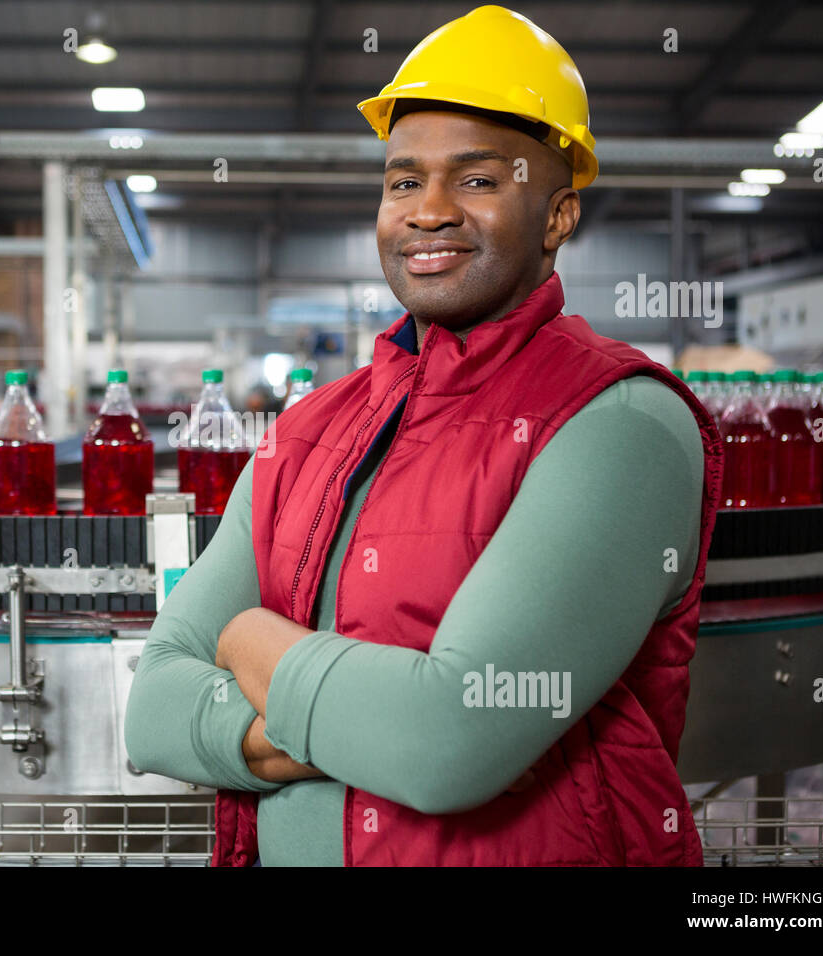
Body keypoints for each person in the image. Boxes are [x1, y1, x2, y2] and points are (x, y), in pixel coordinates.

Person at [125, 4, 722, 866]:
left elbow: (444, 743)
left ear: (558, 216)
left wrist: (247, 639)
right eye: (405, 181)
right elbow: (151, 708)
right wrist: (340, 728)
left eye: (478, 180)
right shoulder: (309, 432)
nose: (430, 211)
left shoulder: (619, 421)